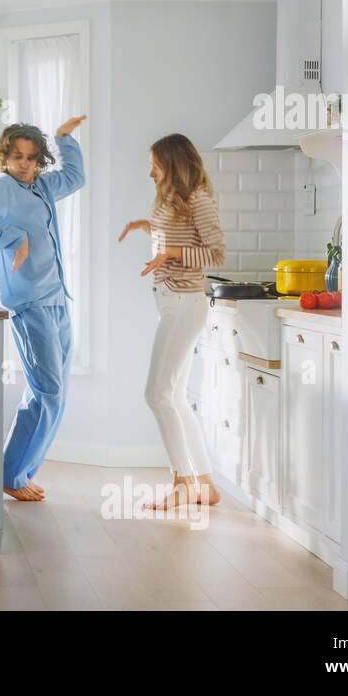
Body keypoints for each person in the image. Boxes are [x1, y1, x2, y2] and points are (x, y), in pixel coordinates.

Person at [0, 116, 86, 501]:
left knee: (56, 392)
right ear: (5, 157)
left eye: (31, 157)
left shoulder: (42, 187)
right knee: (46, 391)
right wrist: (13, 237)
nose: (25, 164)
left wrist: (65, 138)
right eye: (17, 156)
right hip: (29, 302)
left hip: (57, 298)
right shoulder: (1, 188)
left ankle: (21, 471)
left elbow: (76, 178)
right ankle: (9, 474)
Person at [118, 133, 226, 510]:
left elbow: (216, 253)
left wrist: (169, 253)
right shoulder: (173, 200)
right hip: (171, 302)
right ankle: (206, 484)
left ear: (173, 164)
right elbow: (175, 236)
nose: (150, 172)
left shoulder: (199, 198)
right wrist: (146, 227)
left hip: (185, 302)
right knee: (175, 398)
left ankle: (182, 482)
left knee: (156, 394)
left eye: (155, 165)